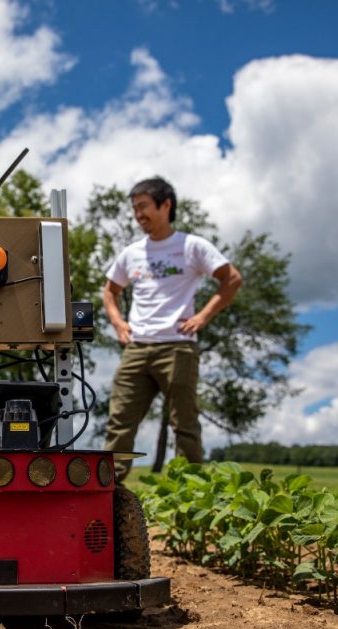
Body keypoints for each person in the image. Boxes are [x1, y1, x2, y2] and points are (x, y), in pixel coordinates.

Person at [102, 176, 242, 479]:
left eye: (143, 207)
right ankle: (107, 492)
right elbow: (109, 291)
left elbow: (231, 279)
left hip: (177, 347)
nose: (138, 215)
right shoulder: (132, 253)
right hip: (137, 347)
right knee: (119, 421)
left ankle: (190, 496)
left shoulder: (191, 246)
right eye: (135, 209)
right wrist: (117, 322)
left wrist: (202, 318)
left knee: (185, 424)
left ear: (166, 205)